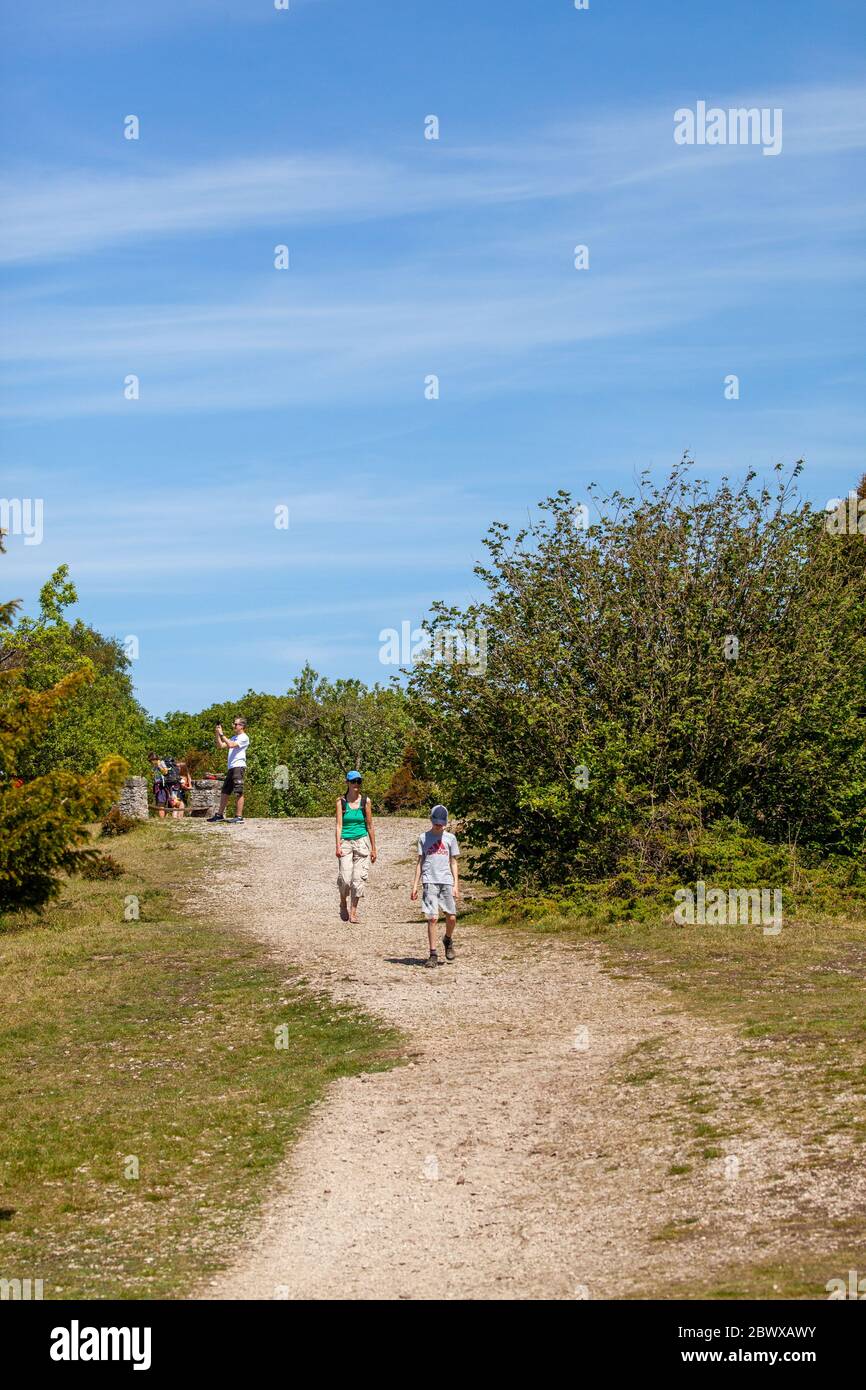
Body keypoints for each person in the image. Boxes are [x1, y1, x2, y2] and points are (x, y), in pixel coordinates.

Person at [411, 804, 460, 967]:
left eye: (441, 823)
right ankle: (432, 954)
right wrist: (415, 885)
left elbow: (453, 862)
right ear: (431, 820)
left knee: (451, 917)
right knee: (432, 918)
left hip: (446, 880)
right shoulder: (423, 838)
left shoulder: (450, 839)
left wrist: (456, 885)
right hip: (429, 880)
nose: (439, 825)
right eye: (436, 822)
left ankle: (447, 939)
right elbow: (420, 862)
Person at [335, 770, 377, 924]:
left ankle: (354, 912)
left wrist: (374, 848)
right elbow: (339, 825)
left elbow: (370, 825)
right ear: (347, 783)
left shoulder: (366, 801)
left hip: (362, 841)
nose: (356, 785)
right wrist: (337, 845)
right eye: (353, 782)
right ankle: (342, 903)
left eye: (359, 781)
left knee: (358, 878)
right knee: (345, 879)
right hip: (345, 841)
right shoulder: (341, 802)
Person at [207, 717, 249, 823]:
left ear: (242, 726)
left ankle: (239, 816)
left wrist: (222, 734)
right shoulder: (234, 737)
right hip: (231, 767)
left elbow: (230, 745)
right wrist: (217, 733)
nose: (233, 726)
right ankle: (219, 815)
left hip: (238, 766)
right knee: (225, 791)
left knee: (238, 791)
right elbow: (220, 745)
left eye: (235, 724)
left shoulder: (244, 737)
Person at [147, 752, 171, 819]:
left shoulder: (161, 763)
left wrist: (159, 766)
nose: (151, 762)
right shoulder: (154, 766)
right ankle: (164, 818)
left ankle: (162, 820)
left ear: (154, 759)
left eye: (151, 760)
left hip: (162, 786)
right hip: (158, 785)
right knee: (161, 803)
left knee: (161, 803)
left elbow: (165, 772)